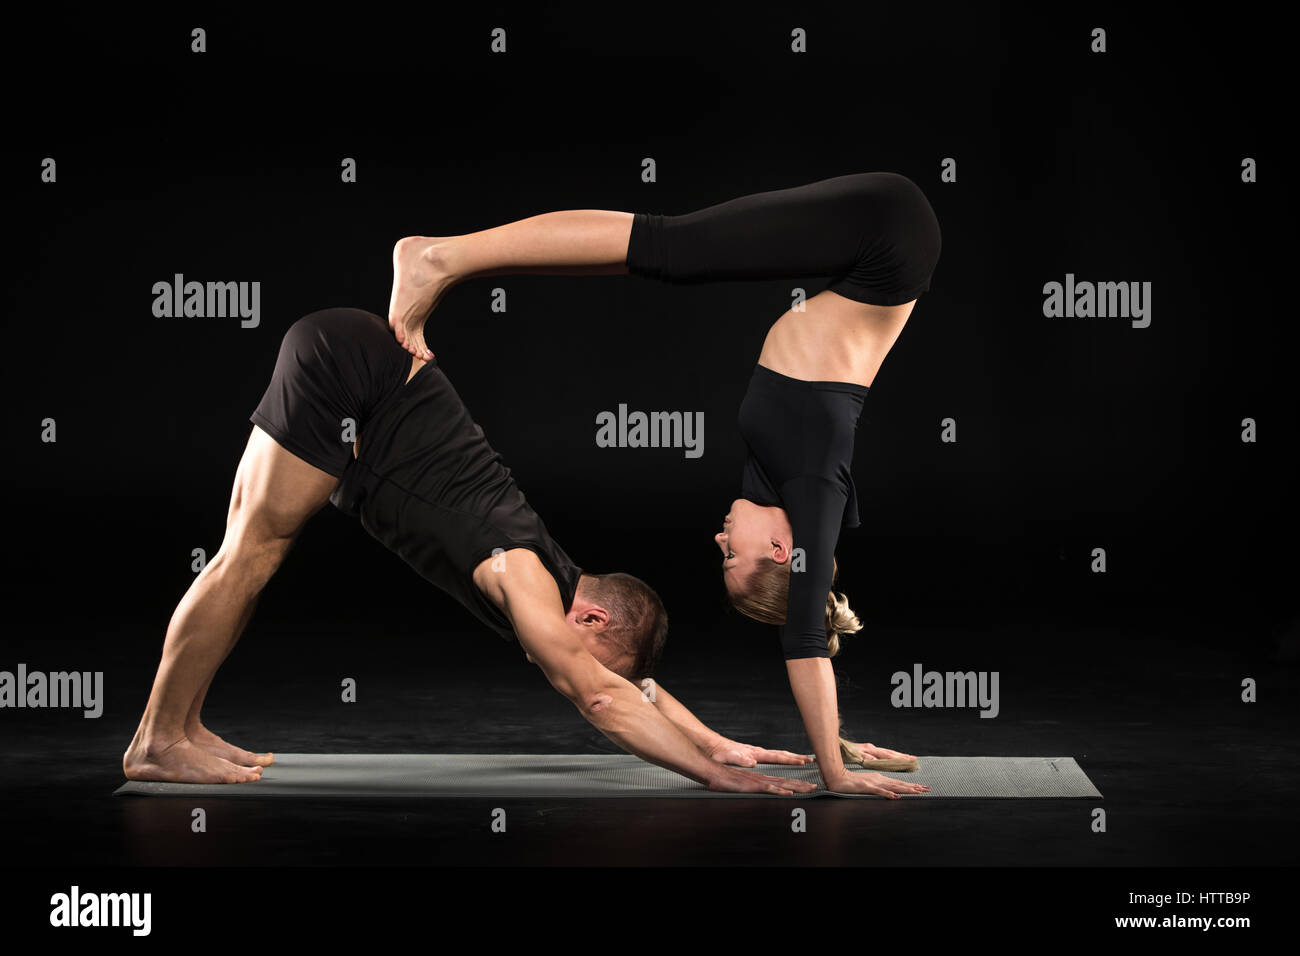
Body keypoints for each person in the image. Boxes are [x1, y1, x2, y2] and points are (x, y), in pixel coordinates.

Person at [386, 171, 939, 798]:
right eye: (733, 554)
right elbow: (806, 637)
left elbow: (809, 626)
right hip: (888, 236)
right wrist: (834, 776)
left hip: (877, 247)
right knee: (665, 246)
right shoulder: (815, 489)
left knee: (664, 253)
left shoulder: (776, 488)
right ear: (788, 551)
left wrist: (830, 740)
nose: (717, 537)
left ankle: (450, 262)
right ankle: (437, 256)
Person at [122, 306, 817, 796]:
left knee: (252, 553)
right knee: (249, 554)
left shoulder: (560, 576)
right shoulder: (524, 570)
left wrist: (717, 742)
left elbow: (632, 690)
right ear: (594, 622)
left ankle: (182, 725)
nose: (565, 669)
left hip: (362, 379)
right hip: (354, 373)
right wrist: (718, 778)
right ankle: (156, 742)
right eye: (583, 655)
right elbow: (602, 698)